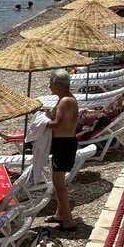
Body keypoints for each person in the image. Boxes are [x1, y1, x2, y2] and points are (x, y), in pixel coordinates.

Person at [44, 71, 79, 230]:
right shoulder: (67, 99)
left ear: (58, 85)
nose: (49, 86)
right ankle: (60, 213)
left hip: (63, 144)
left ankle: (69, 220)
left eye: (51, 83)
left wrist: (42, 124)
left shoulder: (65, 101)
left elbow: (57, 124)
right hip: (65, 142)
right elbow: (61, 122)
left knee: (58, 184)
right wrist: (49, 116)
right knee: (59, 181)